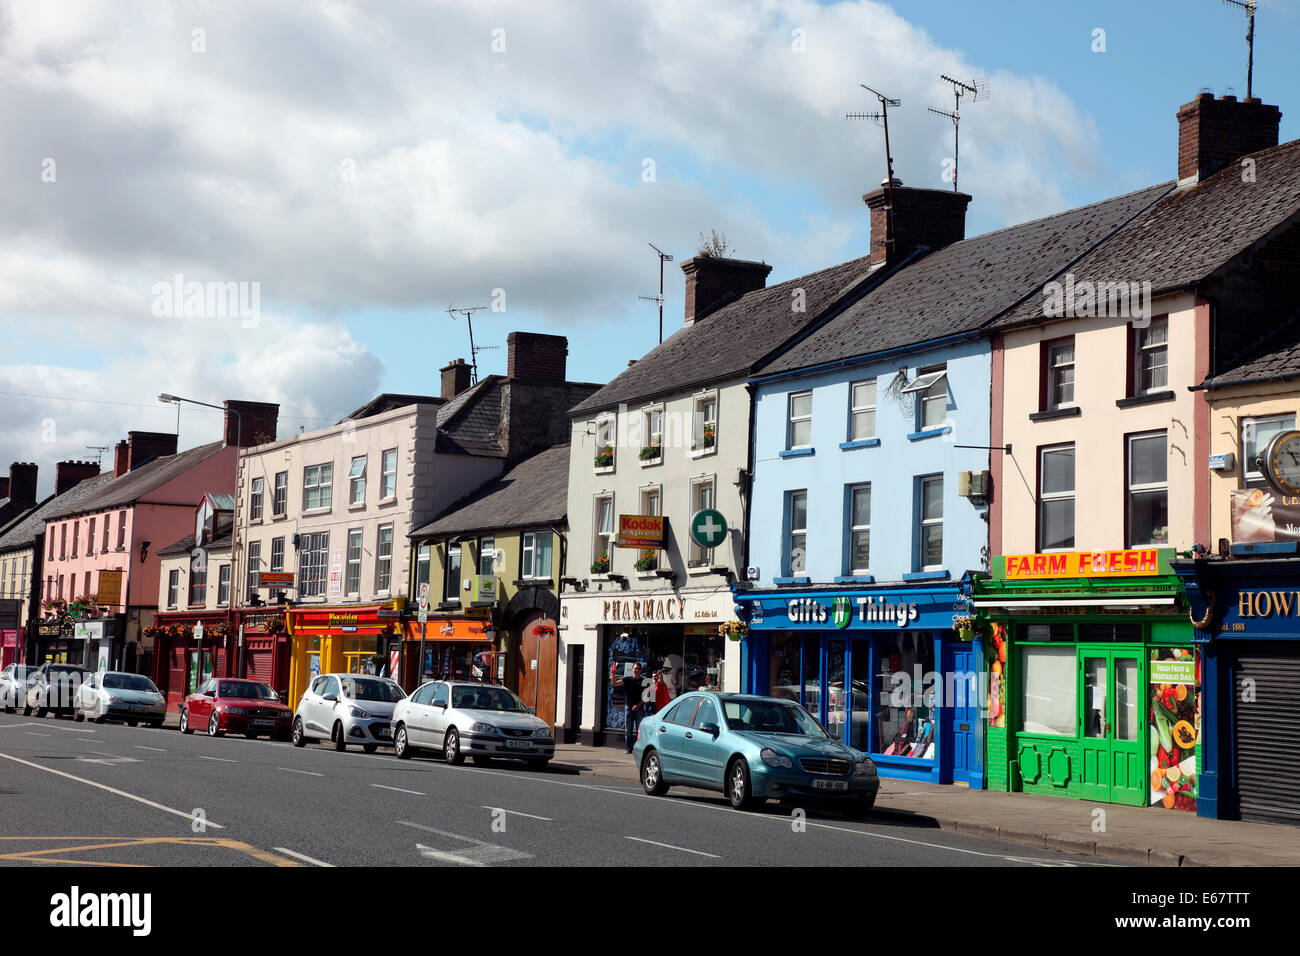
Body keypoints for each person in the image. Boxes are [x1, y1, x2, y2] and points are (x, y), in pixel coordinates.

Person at [611, 660, 647, 754]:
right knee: (629, 730)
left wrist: (638, 705)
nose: (637, 670)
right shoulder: (627, 679)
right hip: (628, 708)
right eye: (635, 669)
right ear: (632, 670)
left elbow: (646, 697)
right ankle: (629, 749)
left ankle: (639, 749)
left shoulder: (644, 681)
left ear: (641, 670)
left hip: (639, 709)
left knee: (640, 730)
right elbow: (614, 684)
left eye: (639, 669)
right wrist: (613, 674)